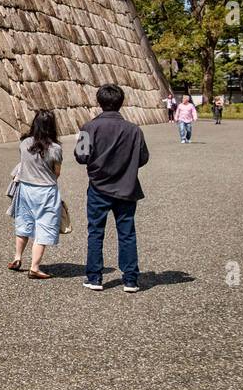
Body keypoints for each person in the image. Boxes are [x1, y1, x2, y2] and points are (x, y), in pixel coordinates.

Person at [75, 83, 148, 293]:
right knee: (127, 233)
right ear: (120, 103)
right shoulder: (134, 130)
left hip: (98, 187)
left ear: (99, 102)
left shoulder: (88, 128)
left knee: (96, 232)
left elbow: (81, 157)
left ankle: (95, 278)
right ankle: (131, 280)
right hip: (126, 187)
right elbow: (143, 158)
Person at [8, 110, 62, 279]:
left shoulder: (24, 144)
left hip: (25, 189)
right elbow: (57, 172)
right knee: (44, 226)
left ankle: (17, 258)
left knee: (24, 222)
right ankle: (35, 267)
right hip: (46, 191)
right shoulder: (55, 149)